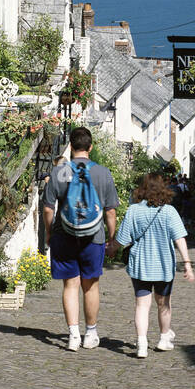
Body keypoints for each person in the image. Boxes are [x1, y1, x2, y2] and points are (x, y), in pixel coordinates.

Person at [41, 126, 118, 351]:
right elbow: (110, 211)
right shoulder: (103, 173)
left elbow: (47, 209)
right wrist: (111, 238)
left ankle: (73, 334)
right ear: (90, 147)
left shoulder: (60, 171)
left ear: (71, 147)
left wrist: (48, 232)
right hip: (93, 237)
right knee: (90, 285)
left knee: (70, 285)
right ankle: (90, 334)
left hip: (64, 235)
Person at [111, 172, 193, 358]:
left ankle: (141, 344)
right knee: (163, 304)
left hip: (140, 265)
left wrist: (109, 250)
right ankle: (164, 338)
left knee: (142, 305)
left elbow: (121, 239)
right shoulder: (169, 211)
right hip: (164, 266)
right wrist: (187, 263)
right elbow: (179, 238)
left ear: (142, 188)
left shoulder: (133, 210)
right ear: (163, 188)